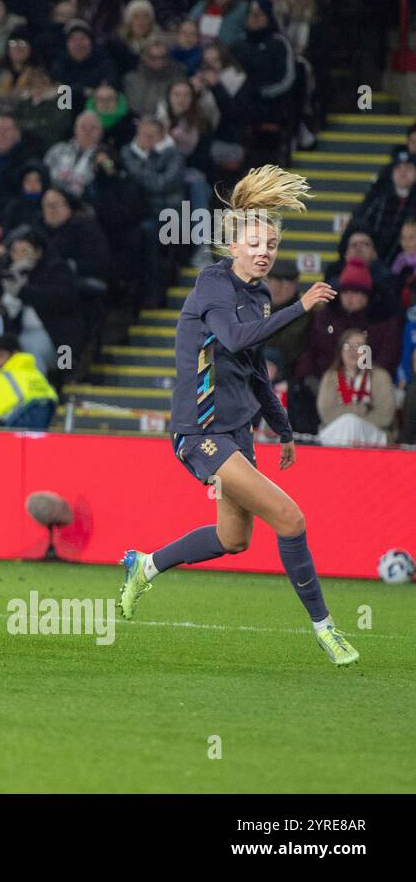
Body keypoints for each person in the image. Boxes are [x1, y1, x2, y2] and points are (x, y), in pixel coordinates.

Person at [118, 165, 360, 667]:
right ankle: (327, 630)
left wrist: (284, 428)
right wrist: (301, 307)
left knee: (233, 539)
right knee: (290, 519)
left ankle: (146, 565)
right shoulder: (214, 283)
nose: (264, 251)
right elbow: (232, 338)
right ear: (234, 247)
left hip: (237, 432)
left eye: (271, 243)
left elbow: (253, 371)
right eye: (255, 243)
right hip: (199, 431)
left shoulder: (260, 296)